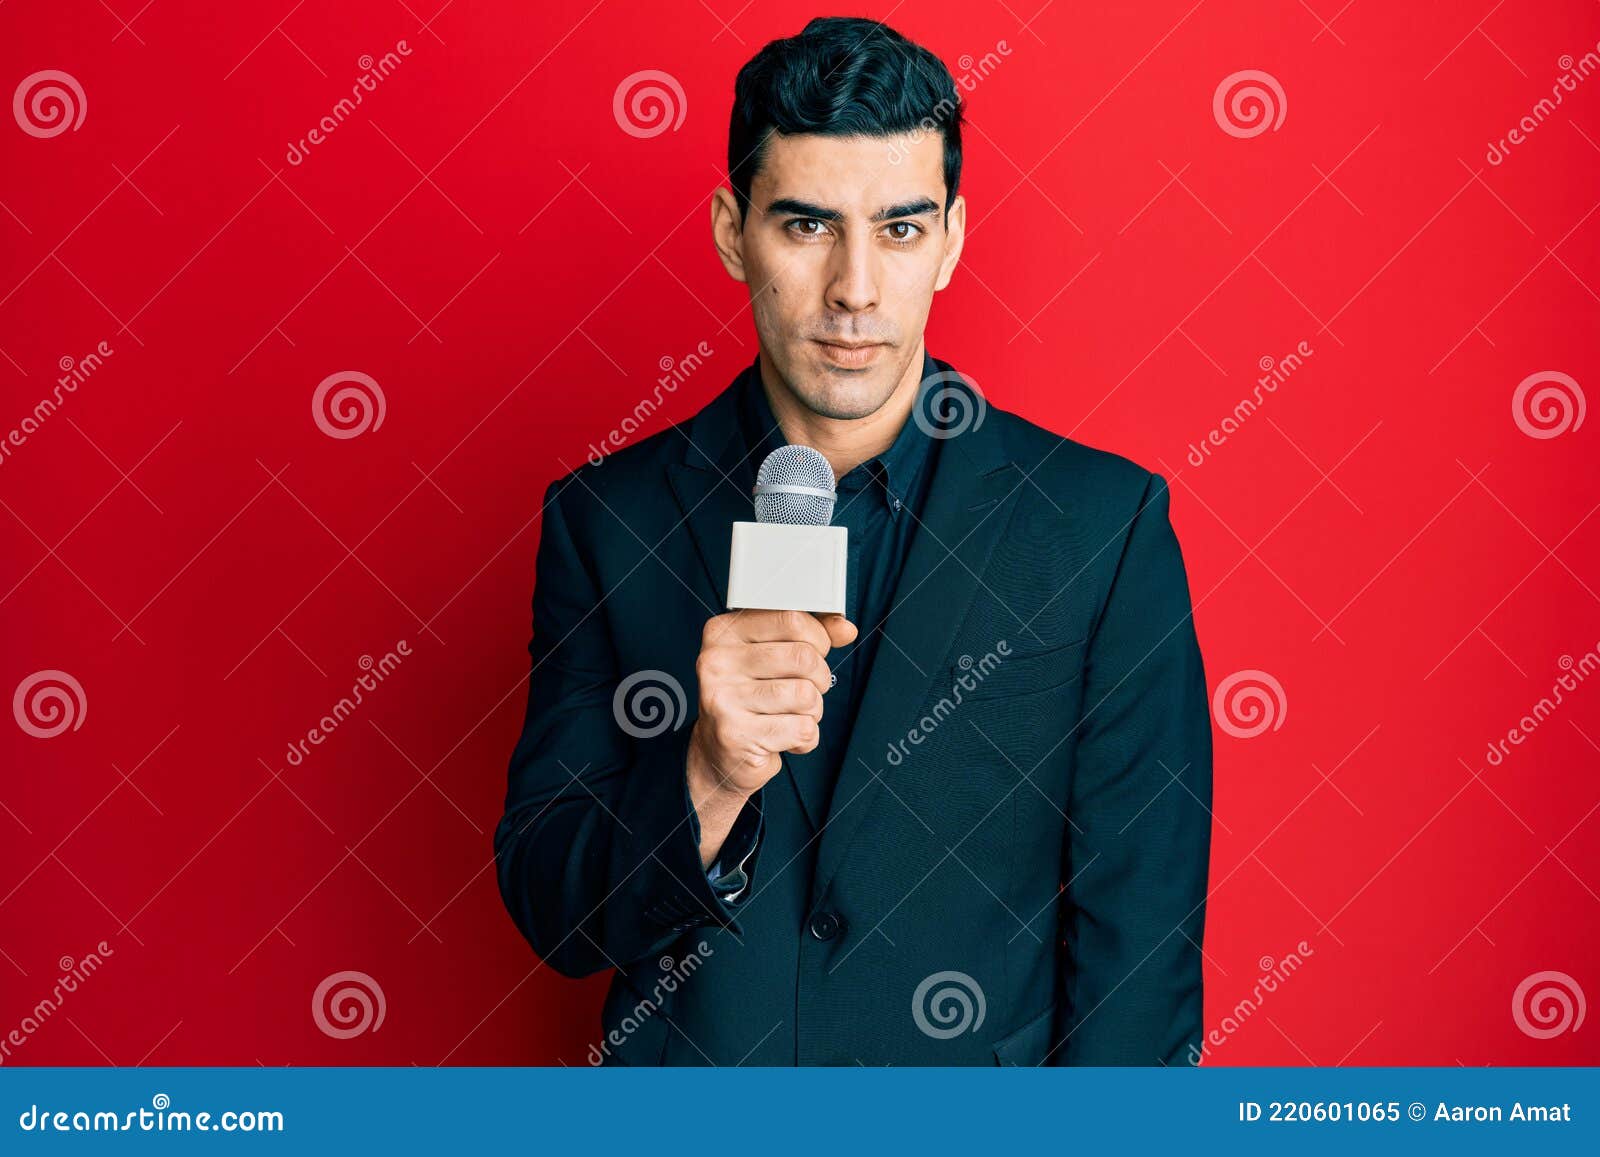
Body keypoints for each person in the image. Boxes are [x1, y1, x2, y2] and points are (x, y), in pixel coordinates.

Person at [494, 15, 1212, 1066]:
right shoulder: (609, 519)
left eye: (901, 229)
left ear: (953, 239)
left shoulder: (1100, 527)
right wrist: (706, 773)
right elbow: (553, 913)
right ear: (732, 231)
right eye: (807, 226)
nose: (856, 290)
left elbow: (1139, 960)